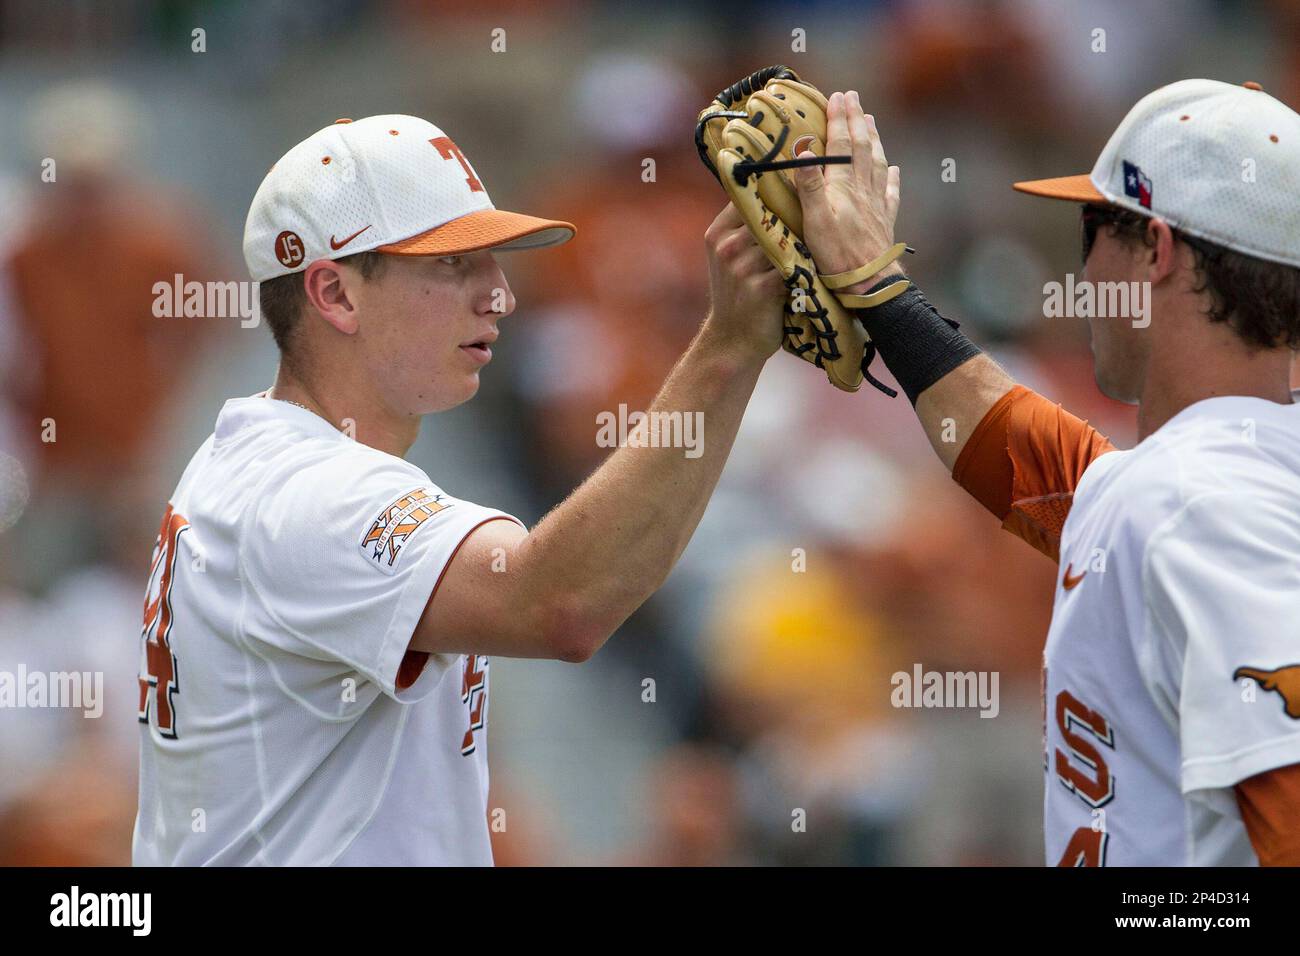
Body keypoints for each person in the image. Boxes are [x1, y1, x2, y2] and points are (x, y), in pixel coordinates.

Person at [133, 114, 786, 865]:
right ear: (335, 294)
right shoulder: (309, 492)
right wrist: (728, 346)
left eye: (495, 262)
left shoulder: (264, 462)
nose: (500, 296)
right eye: (453, 265)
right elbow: (559, 602)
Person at [791, 81, 1300, 865]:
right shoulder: (1220, 471)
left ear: (1158, 252)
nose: (1086, 269)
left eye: (1093, 228)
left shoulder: (1200, 502)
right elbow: (1043, 465)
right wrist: (875, 288)